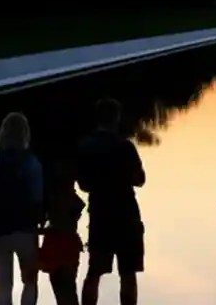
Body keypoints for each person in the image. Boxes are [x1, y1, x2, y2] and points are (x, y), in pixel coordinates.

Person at [77, 98, 146, 305]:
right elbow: (140, 180)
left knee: (94, 273)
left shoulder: (86, 147)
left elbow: (83, 184)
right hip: (126, 215)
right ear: (116, 119)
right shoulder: (125, 147)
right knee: (128, 273)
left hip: (100, 215)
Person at [0, 112, 44, 305]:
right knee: (30, 282)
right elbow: (37, 198)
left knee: (4, 285)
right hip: (24, 230)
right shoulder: (31, 162)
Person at [39, 160, 85, 305]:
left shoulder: (52, 198)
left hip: (55, 245)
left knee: (62, 289)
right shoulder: (72, 201)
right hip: (67, 245)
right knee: (68, 289)